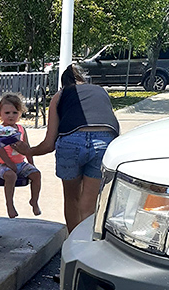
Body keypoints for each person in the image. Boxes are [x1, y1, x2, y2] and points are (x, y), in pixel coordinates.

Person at [13, 64, 119, 232]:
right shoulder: (101, 92)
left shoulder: (60, 95)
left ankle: (72, 243)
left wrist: (29, 150)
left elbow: (49, 144)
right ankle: (86, 246)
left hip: (71, 141)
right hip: (104, 140)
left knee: (72, 198)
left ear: (64, 83)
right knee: (89, 204)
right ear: (84, 79)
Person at [0, 93, 42, 219]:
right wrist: (9, 164)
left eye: (14, 112)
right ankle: (10, 204)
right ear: (0, 113)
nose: (11, 116)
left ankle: (34, 201)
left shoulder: (21, 129)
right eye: (7, 113)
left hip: (21, 164)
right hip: (3, 165)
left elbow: (27, 147)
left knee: (36, 174)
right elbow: (0, 149)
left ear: (20, 113)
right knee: (11, 176)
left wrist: (31, 162)